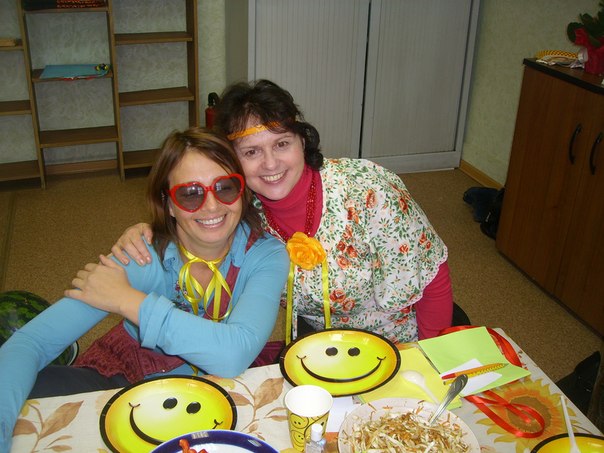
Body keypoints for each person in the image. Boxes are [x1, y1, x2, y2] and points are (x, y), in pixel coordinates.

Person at [0, 128, 289, 450]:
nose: (211, 206)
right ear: (168, 204)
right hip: (127, 374)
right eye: (190, 193)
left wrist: (128, 301)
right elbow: (31, 342)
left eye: (225, 187)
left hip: (225, 382)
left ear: (241, 192)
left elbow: (232, 355)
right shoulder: (140, 255)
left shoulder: (267, 255)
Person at [111, 79, 453, 346]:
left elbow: (433, 278)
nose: (271, 164)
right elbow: (195, 229)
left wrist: (430, 359)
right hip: (319, 350)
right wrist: (150, 229)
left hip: (402, 344)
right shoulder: (240, 210)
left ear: (302, 141)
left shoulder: (369, 190)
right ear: (230, 162)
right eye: (251, 152)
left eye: (282, 144)